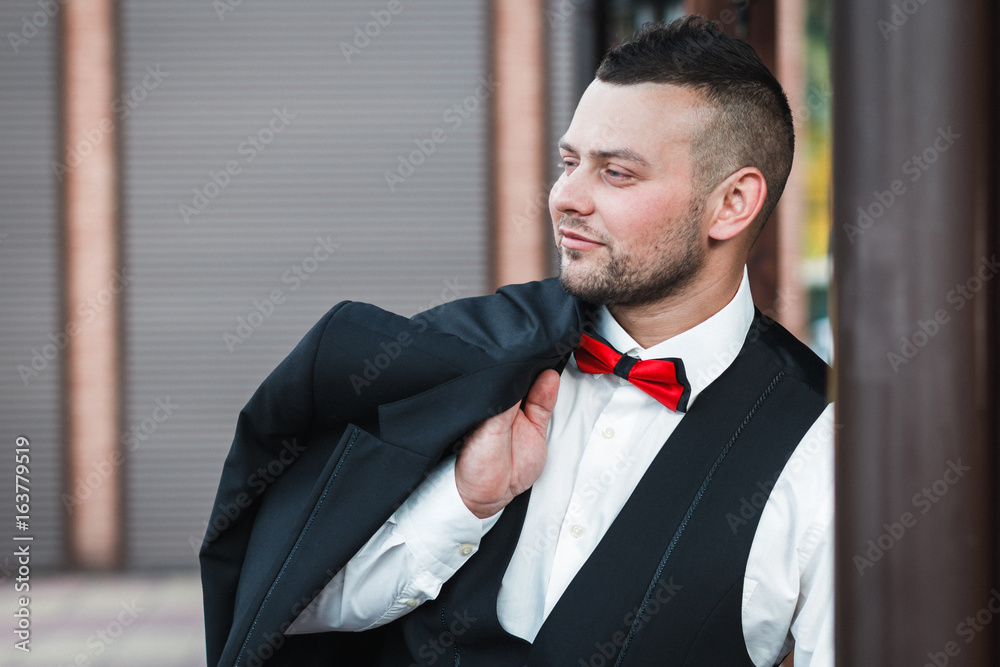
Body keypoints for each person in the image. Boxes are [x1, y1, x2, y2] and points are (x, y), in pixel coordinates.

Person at [201, 16, 833, 667]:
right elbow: (285, 612)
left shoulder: (821, 444)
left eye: (616, 173)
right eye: (568, 163)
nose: (565, 197)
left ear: (732, 203)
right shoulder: (470, 353)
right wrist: (463, 502)